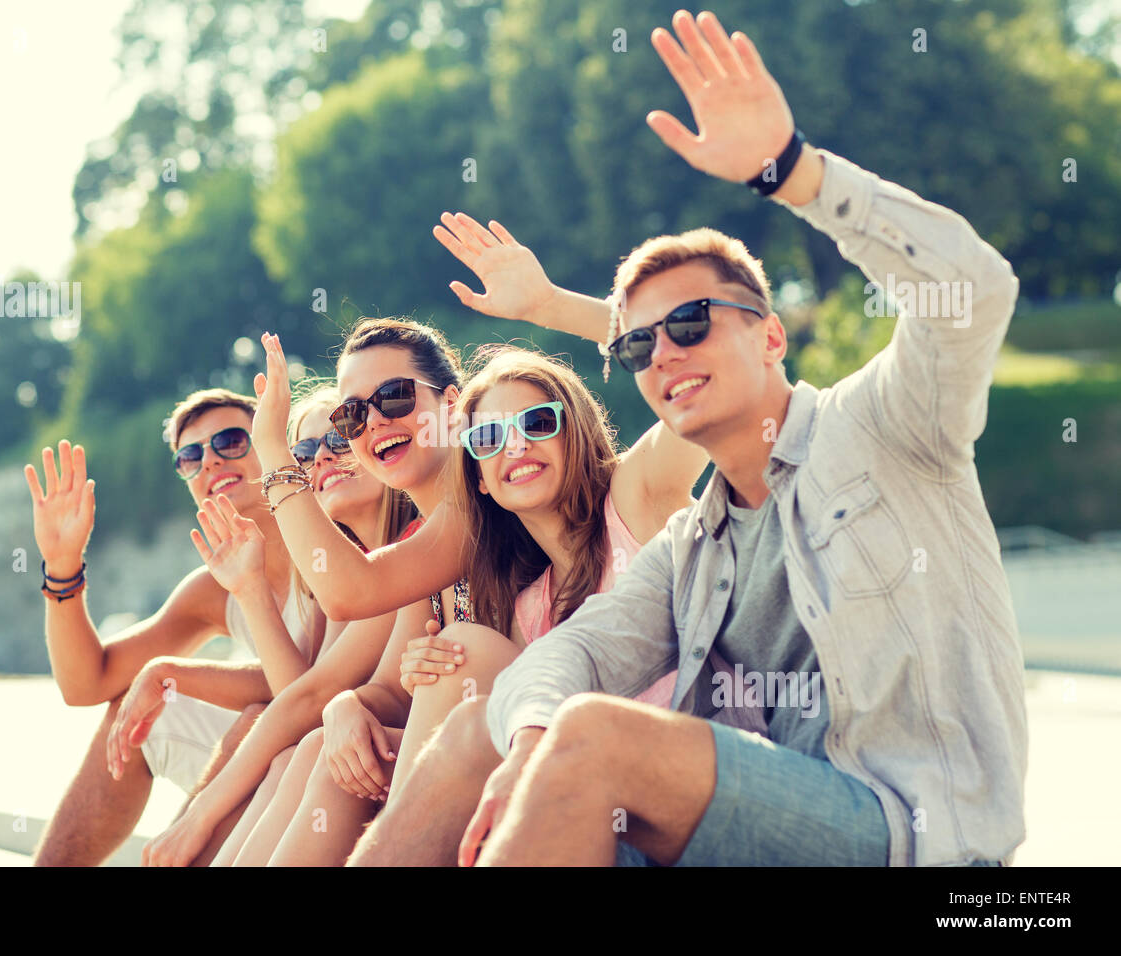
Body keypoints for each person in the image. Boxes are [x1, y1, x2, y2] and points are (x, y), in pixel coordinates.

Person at [361, 9, 1027, 868]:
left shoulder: (887, 426)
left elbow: (973, 289)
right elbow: (576, 651)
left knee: (597, 736)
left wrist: (796, 174)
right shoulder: (692, 548)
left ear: (772, 335)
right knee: (478, 739)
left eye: (690, 323)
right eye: (638, 343)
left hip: (906, 834)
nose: (663, 353)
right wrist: (526, 738)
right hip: (744, 830)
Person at [266, 344, 710, 866]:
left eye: (539, 422)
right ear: (478, 473)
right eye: (488, 438)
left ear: (578, 429)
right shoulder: (527, 606)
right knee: (343, 752)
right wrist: (372, 697)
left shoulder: (636, 500)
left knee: (463, 658)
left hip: (688, 791)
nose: (515, 446)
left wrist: (550, 306)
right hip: (588, 809)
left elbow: (704, 396)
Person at [141, 319, 467, 865]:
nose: (319, 458)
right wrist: (249, 590)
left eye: (395, 396)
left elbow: (308, 696)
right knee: (308, 747)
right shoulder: (394, 551)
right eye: (353, 416)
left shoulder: (447, 524)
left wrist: (273, 453)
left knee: (308, 747)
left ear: (452, 403)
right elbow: (312, 696)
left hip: (482, 748)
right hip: (406, 753)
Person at [26, 388, 323, 866]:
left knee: (251, 721)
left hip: (340, 748)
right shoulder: (213, 587)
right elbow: (86, 683)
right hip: (278, 747)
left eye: (230, 441)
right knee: (137, 711)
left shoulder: (329, 536)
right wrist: (63, 565)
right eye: (189, 456)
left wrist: (173, 672)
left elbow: (316, 681)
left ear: (272, 441)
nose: (209, 462)